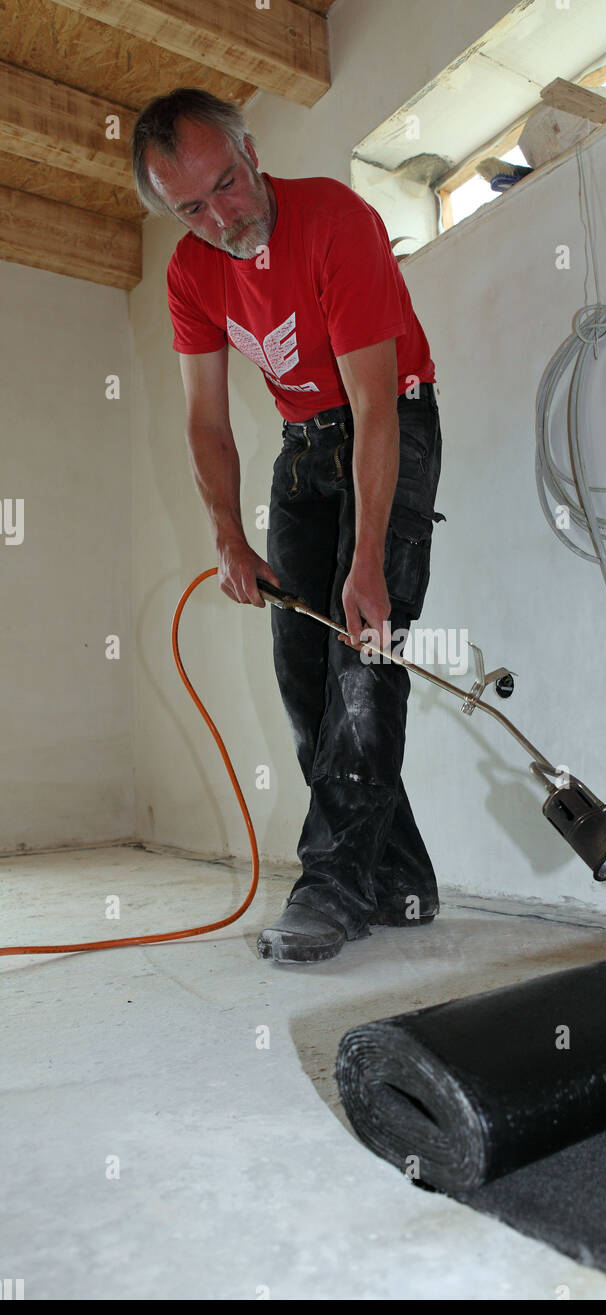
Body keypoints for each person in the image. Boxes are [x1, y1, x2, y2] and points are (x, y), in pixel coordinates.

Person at [131, 89, 445, 965]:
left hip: (390, 426)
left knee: (363, 657)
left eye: (228, 184)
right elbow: (204, 419)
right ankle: (401, 880)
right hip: (303, 450)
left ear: (251, 151)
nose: (221, 216)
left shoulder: (334, 220)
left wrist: (370, 559)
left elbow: (377, 404)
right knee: (305, 677)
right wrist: (229, 535)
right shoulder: (191, 273)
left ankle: (332, 889)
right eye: (190, 208)